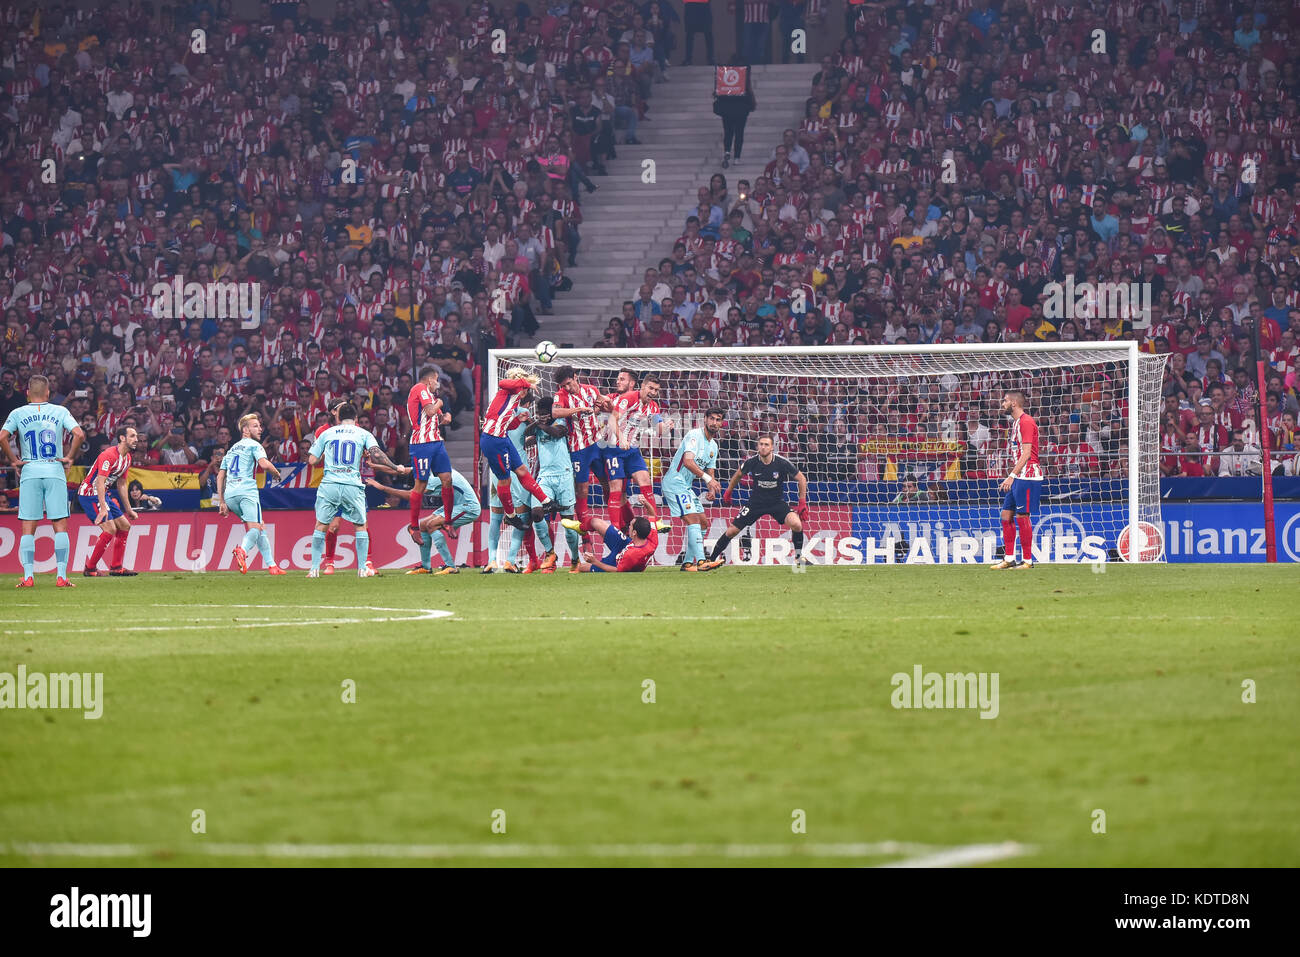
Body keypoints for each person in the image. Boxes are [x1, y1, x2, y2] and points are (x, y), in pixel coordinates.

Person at [0, 374, 85, 587]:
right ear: (48, 392)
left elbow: (2, 437)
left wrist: (13, 461)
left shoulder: (18, 412)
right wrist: (70, 457)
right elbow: (79, 434)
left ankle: (29, 577)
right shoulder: (60, 411)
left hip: (29, 470)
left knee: (29, 526)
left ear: (28, 393)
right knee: (59, 524)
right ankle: (62, 576)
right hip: (54, 469)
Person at [307, 403, 409, 578]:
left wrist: (327, 453)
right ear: (355, 418)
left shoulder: (326, 433)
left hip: (330, 484)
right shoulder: (363, 433)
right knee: (360, 525)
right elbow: (377, 454)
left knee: (321, 525)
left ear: (338, 418)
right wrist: (395, 466)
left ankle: (314, 569)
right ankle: (362, 568)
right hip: (352, 485)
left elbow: (312, 461)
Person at [698, 434, 808, 569]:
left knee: (797, 524)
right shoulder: (752, 462)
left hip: (776, 503)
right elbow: (738, 474)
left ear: (772, 447)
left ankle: (798, 559)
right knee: (732, 531)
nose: (763, 447)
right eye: (761, 444)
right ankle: (711, 559)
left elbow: (802, 479)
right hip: (755, 503)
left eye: (766, 444)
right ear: (757, 446)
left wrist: (802, 502)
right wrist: (728, 492)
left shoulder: (782, 462)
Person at [479, 368, 560, 529]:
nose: (525, 390)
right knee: (505, 479)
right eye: (523, 387)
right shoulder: (504, 391)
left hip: (502, 437)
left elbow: (508, 426)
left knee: (522, 470)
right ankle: (511, 516)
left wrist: (518, 420)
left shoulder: (514, 402)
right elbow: (504, 381)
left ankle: (546, 502)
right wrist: (525, 382)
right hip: (492, 440)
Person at [365, 466, 481, 575]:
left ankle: (450, 566)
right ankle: (426, 567)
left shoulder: (432, 480)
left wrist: (382, 487)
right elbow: (398, 469)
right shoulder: (424, 470)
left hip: (468, 507)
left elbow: (411, 495)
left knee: (432, 525)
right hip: (455, 504)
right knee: (423, 525)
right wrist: (375, 465)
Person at [217, 413, 288, 575]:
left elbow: (221, 475)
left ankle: (272, 566)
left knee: (259, 527)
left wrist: (222, 501)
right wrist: (276, 473)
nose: (260, 429)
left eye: (260, 425)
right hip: (246, 492)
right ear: (245, 429)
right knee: (255, 529)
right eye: (255, 426)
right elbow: (264, 464)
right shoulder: (254, 445)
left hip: (230, 495)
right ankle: (242, 550)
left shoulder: (232, 449)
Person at [603, 370, 671, 533]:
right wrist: (621, 438)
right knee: (616, 489)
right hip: (613, 449)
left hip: (632, 450)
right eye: (651, 388)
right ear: (642, 386)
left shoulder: (653, 406)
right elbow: (613, 420)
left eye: (656, 390)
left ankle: (654, 521)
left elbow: (659, 430)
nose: (653, 393)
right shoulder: (628, 398)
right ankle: (615, 529)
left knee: (646, 481)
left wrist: (667, 427)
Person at [550, 364, 609, 543]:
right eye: (563, 385)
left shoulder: (591, 390)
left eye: (568, 383)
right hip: (578, 449)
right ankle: (584, 530)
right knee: (582, 489)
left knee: (608, 482)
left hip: (597, 444)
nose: (567, 388)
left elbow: (601, 405)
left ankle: (616, 519)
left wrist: (602, 405)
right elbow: (554, 412)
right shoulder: (560, 395)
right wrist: (578, 410)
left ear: (576, 376)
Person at [661, 407, 725, 570]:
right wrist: (707, 479)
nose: (714, 422)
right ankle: (702, 561)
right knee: (693, 520)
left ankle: (688, 563)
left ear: (721, 423)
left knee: (703, 523)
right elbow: (688, 462)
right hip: (674, 482)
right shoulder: (694, 436)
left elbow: (710, 469)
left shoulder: (714, 446)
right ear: (705, 419)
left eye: (718, 420)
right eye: (711, 418)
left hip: (686, 486)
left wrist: (711, 488)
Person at [524, 396, 580, 572]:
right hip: (545, 477)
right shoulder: (538, 427)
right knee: (536, 513)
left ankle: (575, 559)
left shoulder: (562, 422)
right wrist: (536, 422)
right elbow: (526, 434)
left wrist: (540, 424)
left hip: (564, 476)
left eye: (545, 414)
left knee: (568, 524)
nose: (542, 417)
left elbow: (556, 433)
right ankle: (550, 553)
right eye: (539, 414)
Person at [77, 425, 141, 577]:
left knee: (125, 526)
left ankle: (116, 567)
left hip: (102, 494)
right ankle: (90, 568)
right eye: (132, 436)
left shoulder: (127, 458)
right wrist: (104, 509)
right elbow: (99, 482)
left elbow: (122, 484)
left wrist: (129, 509)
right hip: (89, 493)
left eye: (136, 436)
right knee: (110, 529)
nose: (136, 439)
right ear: (122, 438)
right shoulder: (109, 455)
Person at [992, 390, 1042, 570]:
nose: (1002, 404)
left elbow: (1027, 454)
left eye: (1005, 400)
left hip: (1028, 475)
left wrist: (1011, 476)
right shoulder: (1016, 423)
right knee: (1006, 515)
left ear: (1014, 403)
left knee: (1022, 516)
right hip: (1019, 475)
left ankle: (1027, 561)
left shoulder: (1027, 422)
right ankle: (1009, 558)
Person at [406, 366, 455, 541]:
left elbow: (439, 417)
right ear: (429, 380)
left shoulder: (431, 397)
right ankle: (413, 527)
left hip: (436, 442)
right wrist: (441, 403)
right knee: (421, 484)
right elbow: (431, 411)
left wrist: (445, 417)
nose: (438, 383)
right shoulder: (420, 389)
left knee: (447, 479)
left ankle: (448, 521)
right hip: (422, 444)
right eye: (436, 380)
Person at [563, 514, 659, 572]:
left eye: (630, 525)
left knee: (580, 568)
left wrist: (594, 562)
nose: (628, 526)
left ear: (634, 532)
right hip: (626, 544)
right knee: (595, 522)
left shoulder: (631, 555)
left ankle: (578, 563)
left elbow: (617, 570)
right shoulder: (652, 539)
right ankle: (581, 528)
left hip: (615, 563)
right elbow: (651, 515)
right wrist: (646, 504)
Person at [713, 57, 756, 169]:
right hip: (741, 107)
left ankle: (727, 151)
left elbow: (717, 91)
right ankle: (737, 157)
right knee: (739, 132)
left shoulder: (723, 72)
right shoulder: (743, 72)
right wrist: (752, 102)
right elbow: (749, 88)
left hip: (726, 107)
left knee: (728, 131)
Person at [682, 0, 716, 66]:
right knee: (689, 33)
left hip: (703, 5)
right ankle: (688, 59)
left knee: (708, 33)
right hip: (690, 5)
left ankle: (711, 58)